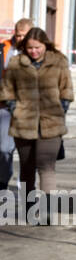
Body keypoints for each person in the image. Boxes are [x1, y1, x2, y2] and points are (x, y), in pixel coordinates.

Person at [0, 27, 72, 212]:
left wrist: (62, 108)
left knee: (46, 167)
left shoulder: (59, 62)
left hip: (51, 122)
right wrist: (14, 108)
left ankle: (47, 211)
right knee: (27, 167)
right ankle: (28, 209)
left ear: (45, 45)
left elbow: (66, 88)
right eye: (30, 48)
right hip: (23, 123)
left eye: (37, 47)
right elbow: (6, 89)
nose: (34, 51)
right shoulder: (16, 64)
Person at [0, 18, 32, 188]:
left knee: (27, 150)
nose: (20, 39)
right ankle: (4, 179)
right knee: (4, 149)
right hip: (5, 108)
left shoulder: (36, 50)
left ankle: (26, 183)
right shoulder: (4, 49)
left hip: (28, 109)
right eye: (17, 35)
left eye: (23, 36)